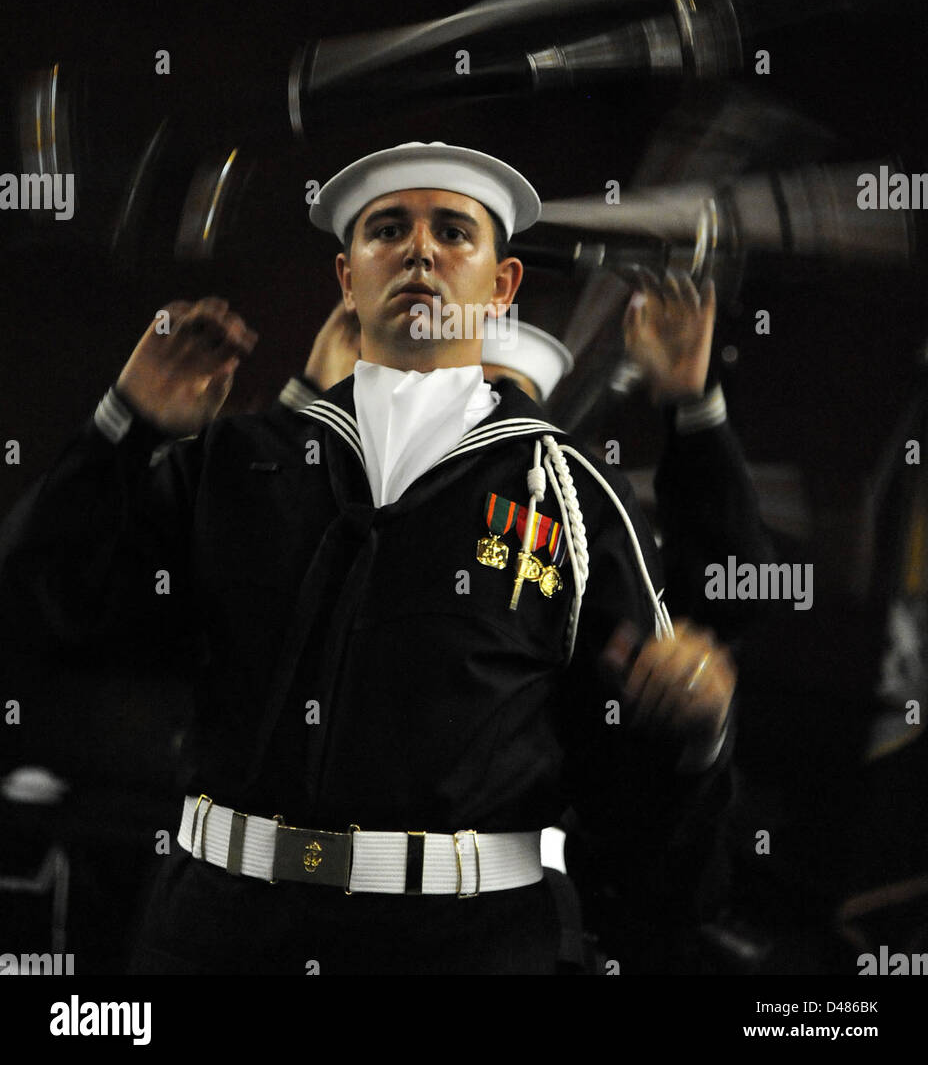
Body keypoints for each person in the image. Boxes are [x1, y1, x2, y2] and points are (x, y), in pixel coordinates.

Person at [0, 140, 735, 975]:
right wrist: (123, 427)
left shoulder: (569, 493)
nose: (421, 249)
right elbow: (40, 611)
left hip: (461, 950)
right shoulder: (236, 461)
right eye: (388, 228)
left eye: (455, 232)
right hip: (217, 935)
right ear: (348, 278)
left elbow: (633, 768)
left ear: (502, 288)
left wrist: (698, 732)